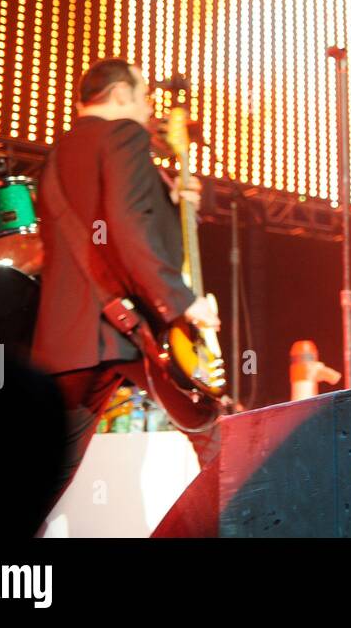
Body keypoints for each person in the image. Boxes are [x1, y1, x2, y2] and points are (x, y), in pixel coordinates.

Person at [31, 58, 221, 522]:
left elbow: (107, 227)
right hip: (129, 327)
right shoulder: (124, 135)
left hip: (70, 337)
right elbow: (129, 227)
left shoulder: (59, 154)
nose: (146, 110)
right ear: (119, 95)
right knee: (214, 439)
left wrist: (174, 202)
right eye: (140, 97)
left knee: (42, 479)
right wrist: (181, 302)